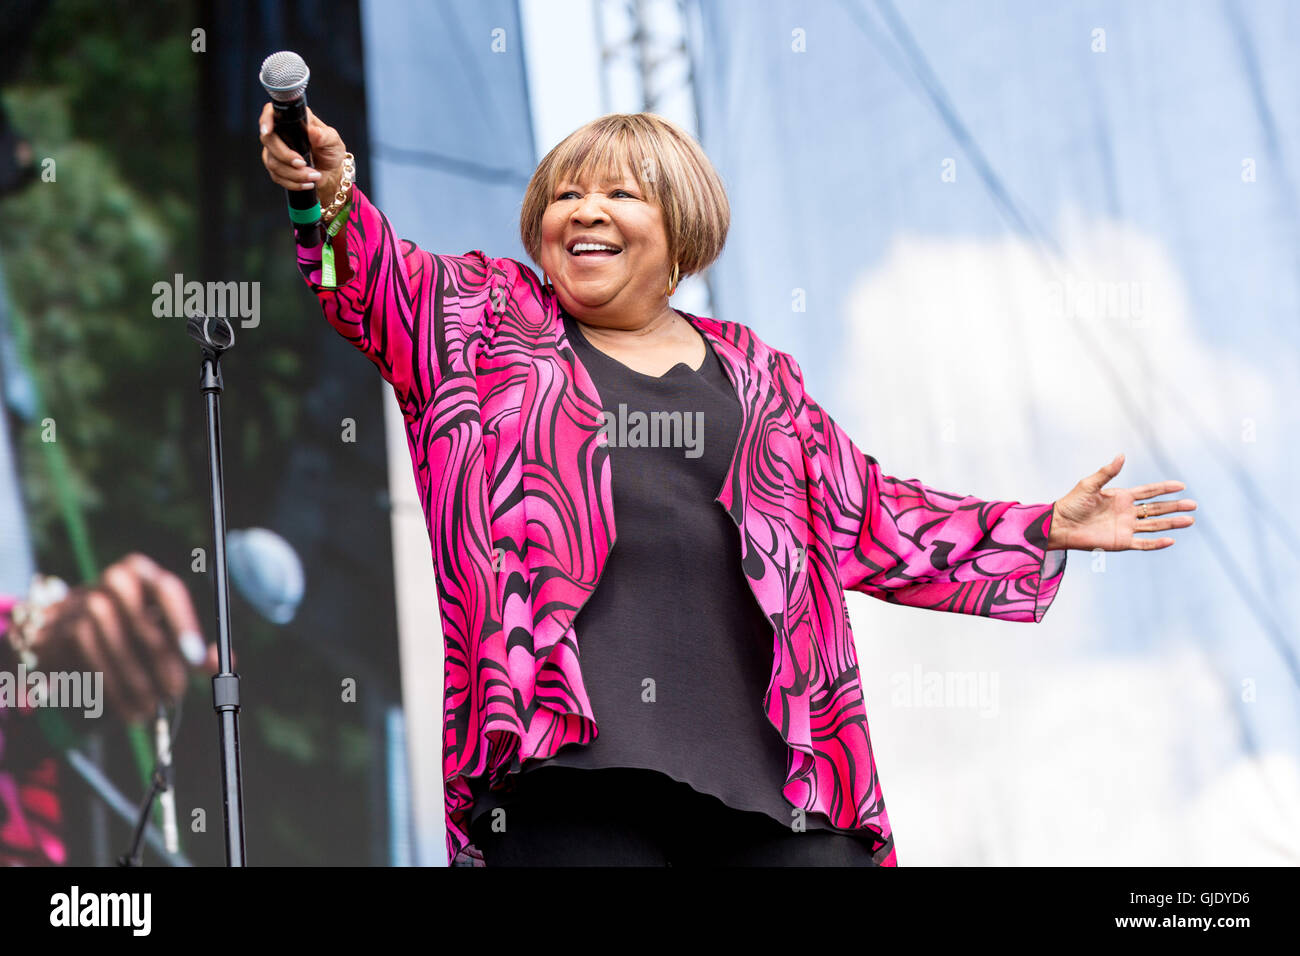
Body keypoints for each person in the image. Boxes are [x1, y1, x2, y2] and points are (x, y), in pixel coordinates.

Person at [259, 105, 1197, 867]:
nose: (584, 210)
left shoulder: (758, 375)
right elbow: (368, 278)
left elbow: (869, 514)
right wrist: (327, 193)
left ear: (680, 234)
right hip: (572, 769)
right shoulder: (479, 326)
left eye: (620, 193)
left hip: (779, 780)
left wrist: (1040, 528)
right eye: (565, 194)